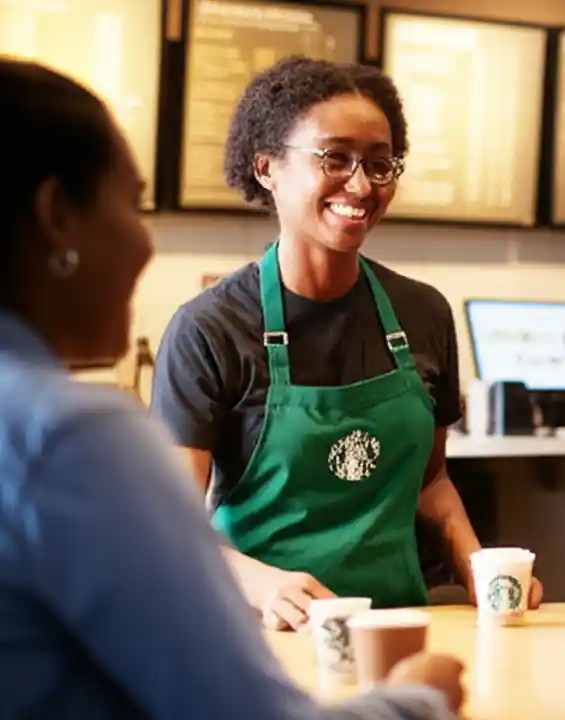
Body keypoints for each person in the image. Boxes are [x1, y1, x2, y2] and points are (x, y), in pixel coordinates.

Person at [0, 57, 463, 720]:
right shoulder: (69, 434)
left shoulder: (420, 309)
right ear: (56, 217)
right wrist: (422, 698)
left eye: (380, 162)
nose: (144, 248)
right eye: (132, 205)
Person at [150, 57, 540, 630]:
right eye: (335, 158)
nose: (361, 186)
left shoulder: (423, 312)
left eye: (380, 164)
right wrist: (262, 583)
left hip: (402, 622)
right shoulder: (210, 330)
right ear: (267, 167)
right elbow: (167, 524)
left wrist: (479, 567)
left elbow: (431, 482)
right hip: (265, 632)